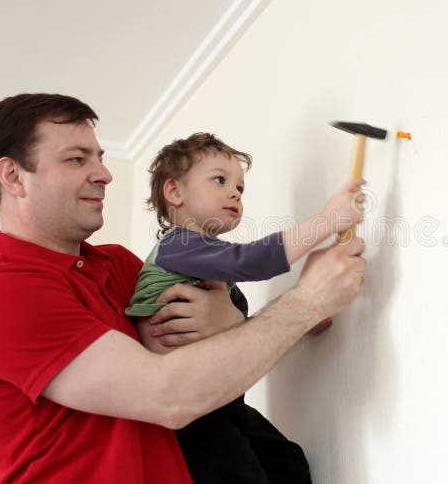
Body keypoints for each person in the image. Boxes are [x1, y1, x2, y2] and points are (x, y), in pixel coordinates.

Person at [0, 93, 367, 483]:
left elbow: (205, 358)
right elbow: (168, 394)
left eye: (100, 157)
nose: (105, 174)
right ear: (13, 177)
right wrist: (306, 302)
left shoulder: (122, 266)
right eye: (77, 159)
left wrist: (235, 319)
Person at [128, 133, 365, 483]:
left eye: (240, 187)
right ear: (175, 192)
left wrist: (299, 321)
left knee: (289, 463)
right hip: (192, 411)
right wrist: (327, 220)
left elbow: (233, 331)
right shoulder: (177, 247)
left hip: (222, 398)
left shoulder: (205, 261)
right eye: (219, 180)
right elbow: (251, 260)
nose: (235, 193)